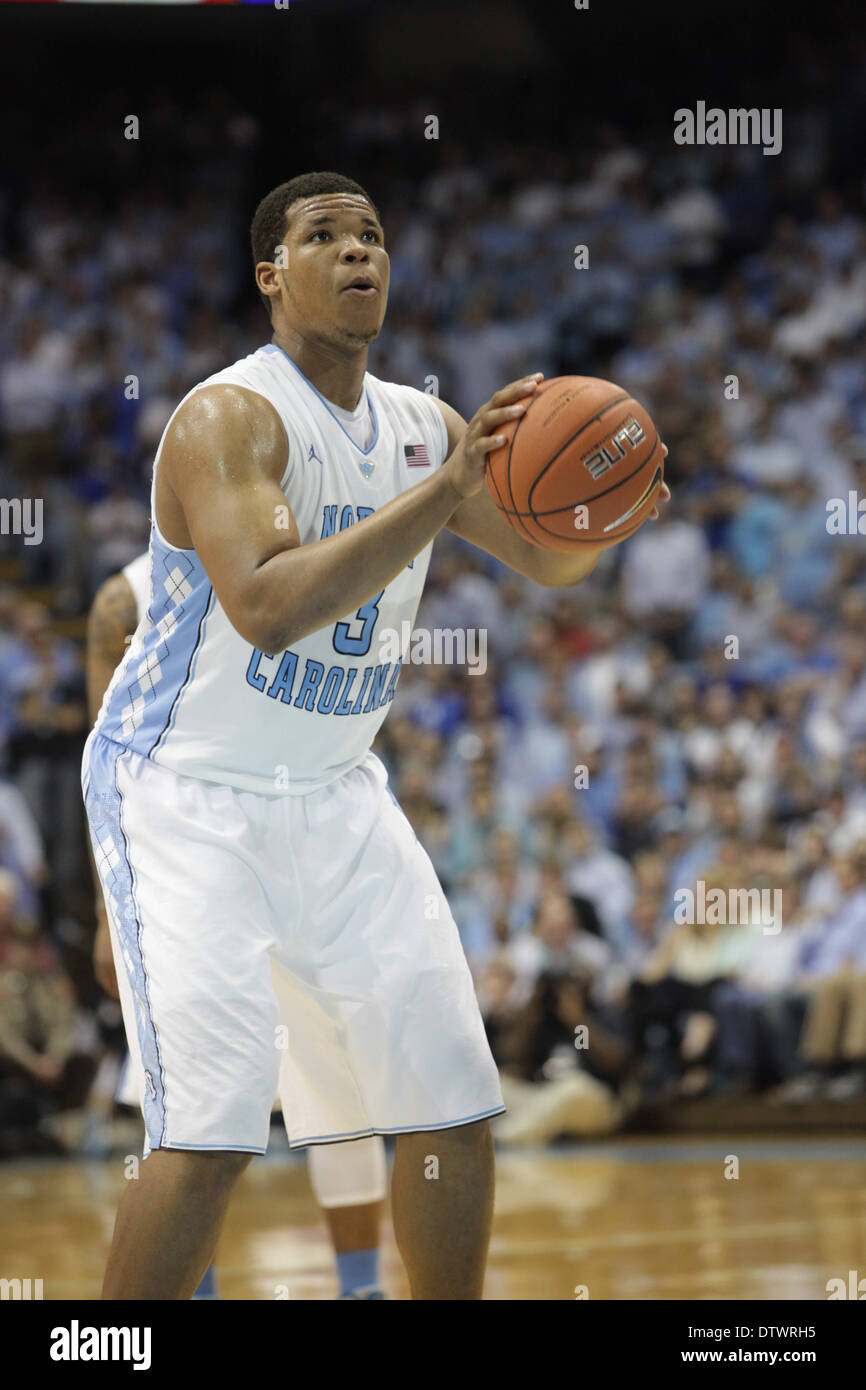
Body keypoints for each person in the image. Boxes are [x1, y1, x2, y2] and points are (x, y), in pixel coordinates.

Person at [82, 170, 668, 1300]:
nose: (358, 253)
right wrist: (447, 488)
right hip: (187, 795)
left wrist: (615, 505)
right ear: (271, 276)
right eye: (323, 236)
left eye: (371, 236)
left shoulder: (422, 426)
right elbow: (264, 606)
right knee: (207, 1136)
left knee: (453, 1099)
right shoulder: (227, 417)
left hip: (340, 790)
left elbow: (549, 560)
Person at [87, 553, 387, 1299]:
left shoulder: (336, 524)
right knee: (194, 1113)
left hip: (311, 842)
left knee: (340, 1090)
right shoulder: (152, 583)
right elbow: (107, 726)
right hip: (191, 859)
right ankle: (196, 1295)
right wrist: (106, 906)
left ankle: (362, 1288)